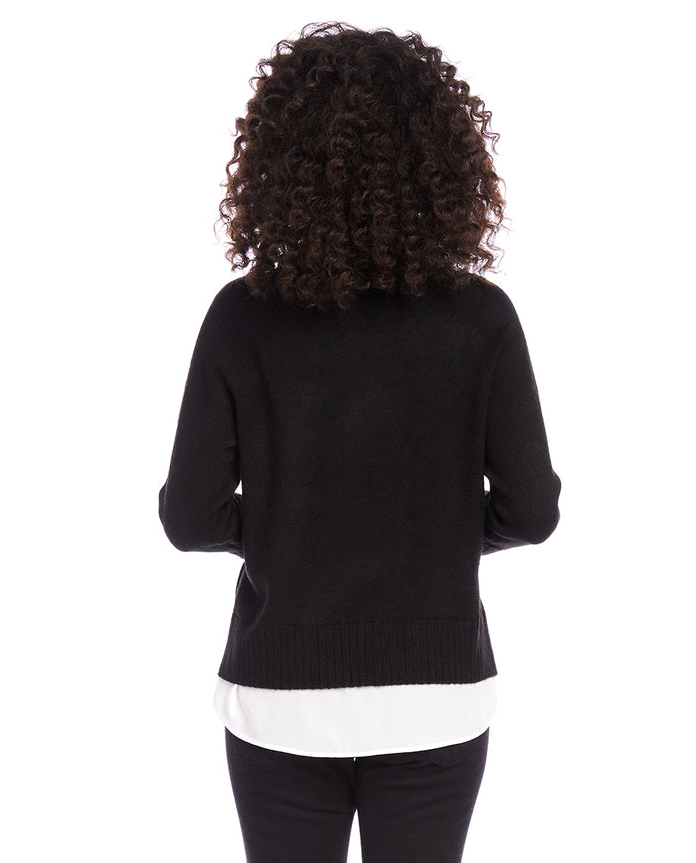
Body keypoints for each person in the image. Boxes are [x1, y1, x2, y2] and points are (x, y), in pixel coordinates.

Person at [158, 20, 562, 863]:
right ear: (443, 161)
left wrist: (287, 529)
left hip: (279, 700)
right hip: (436, 699)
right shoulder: (482, 320)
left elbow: (191, 517)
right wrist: (434, 529)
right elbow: (532, 510)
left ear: (278, 163)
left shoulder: (242, 318)